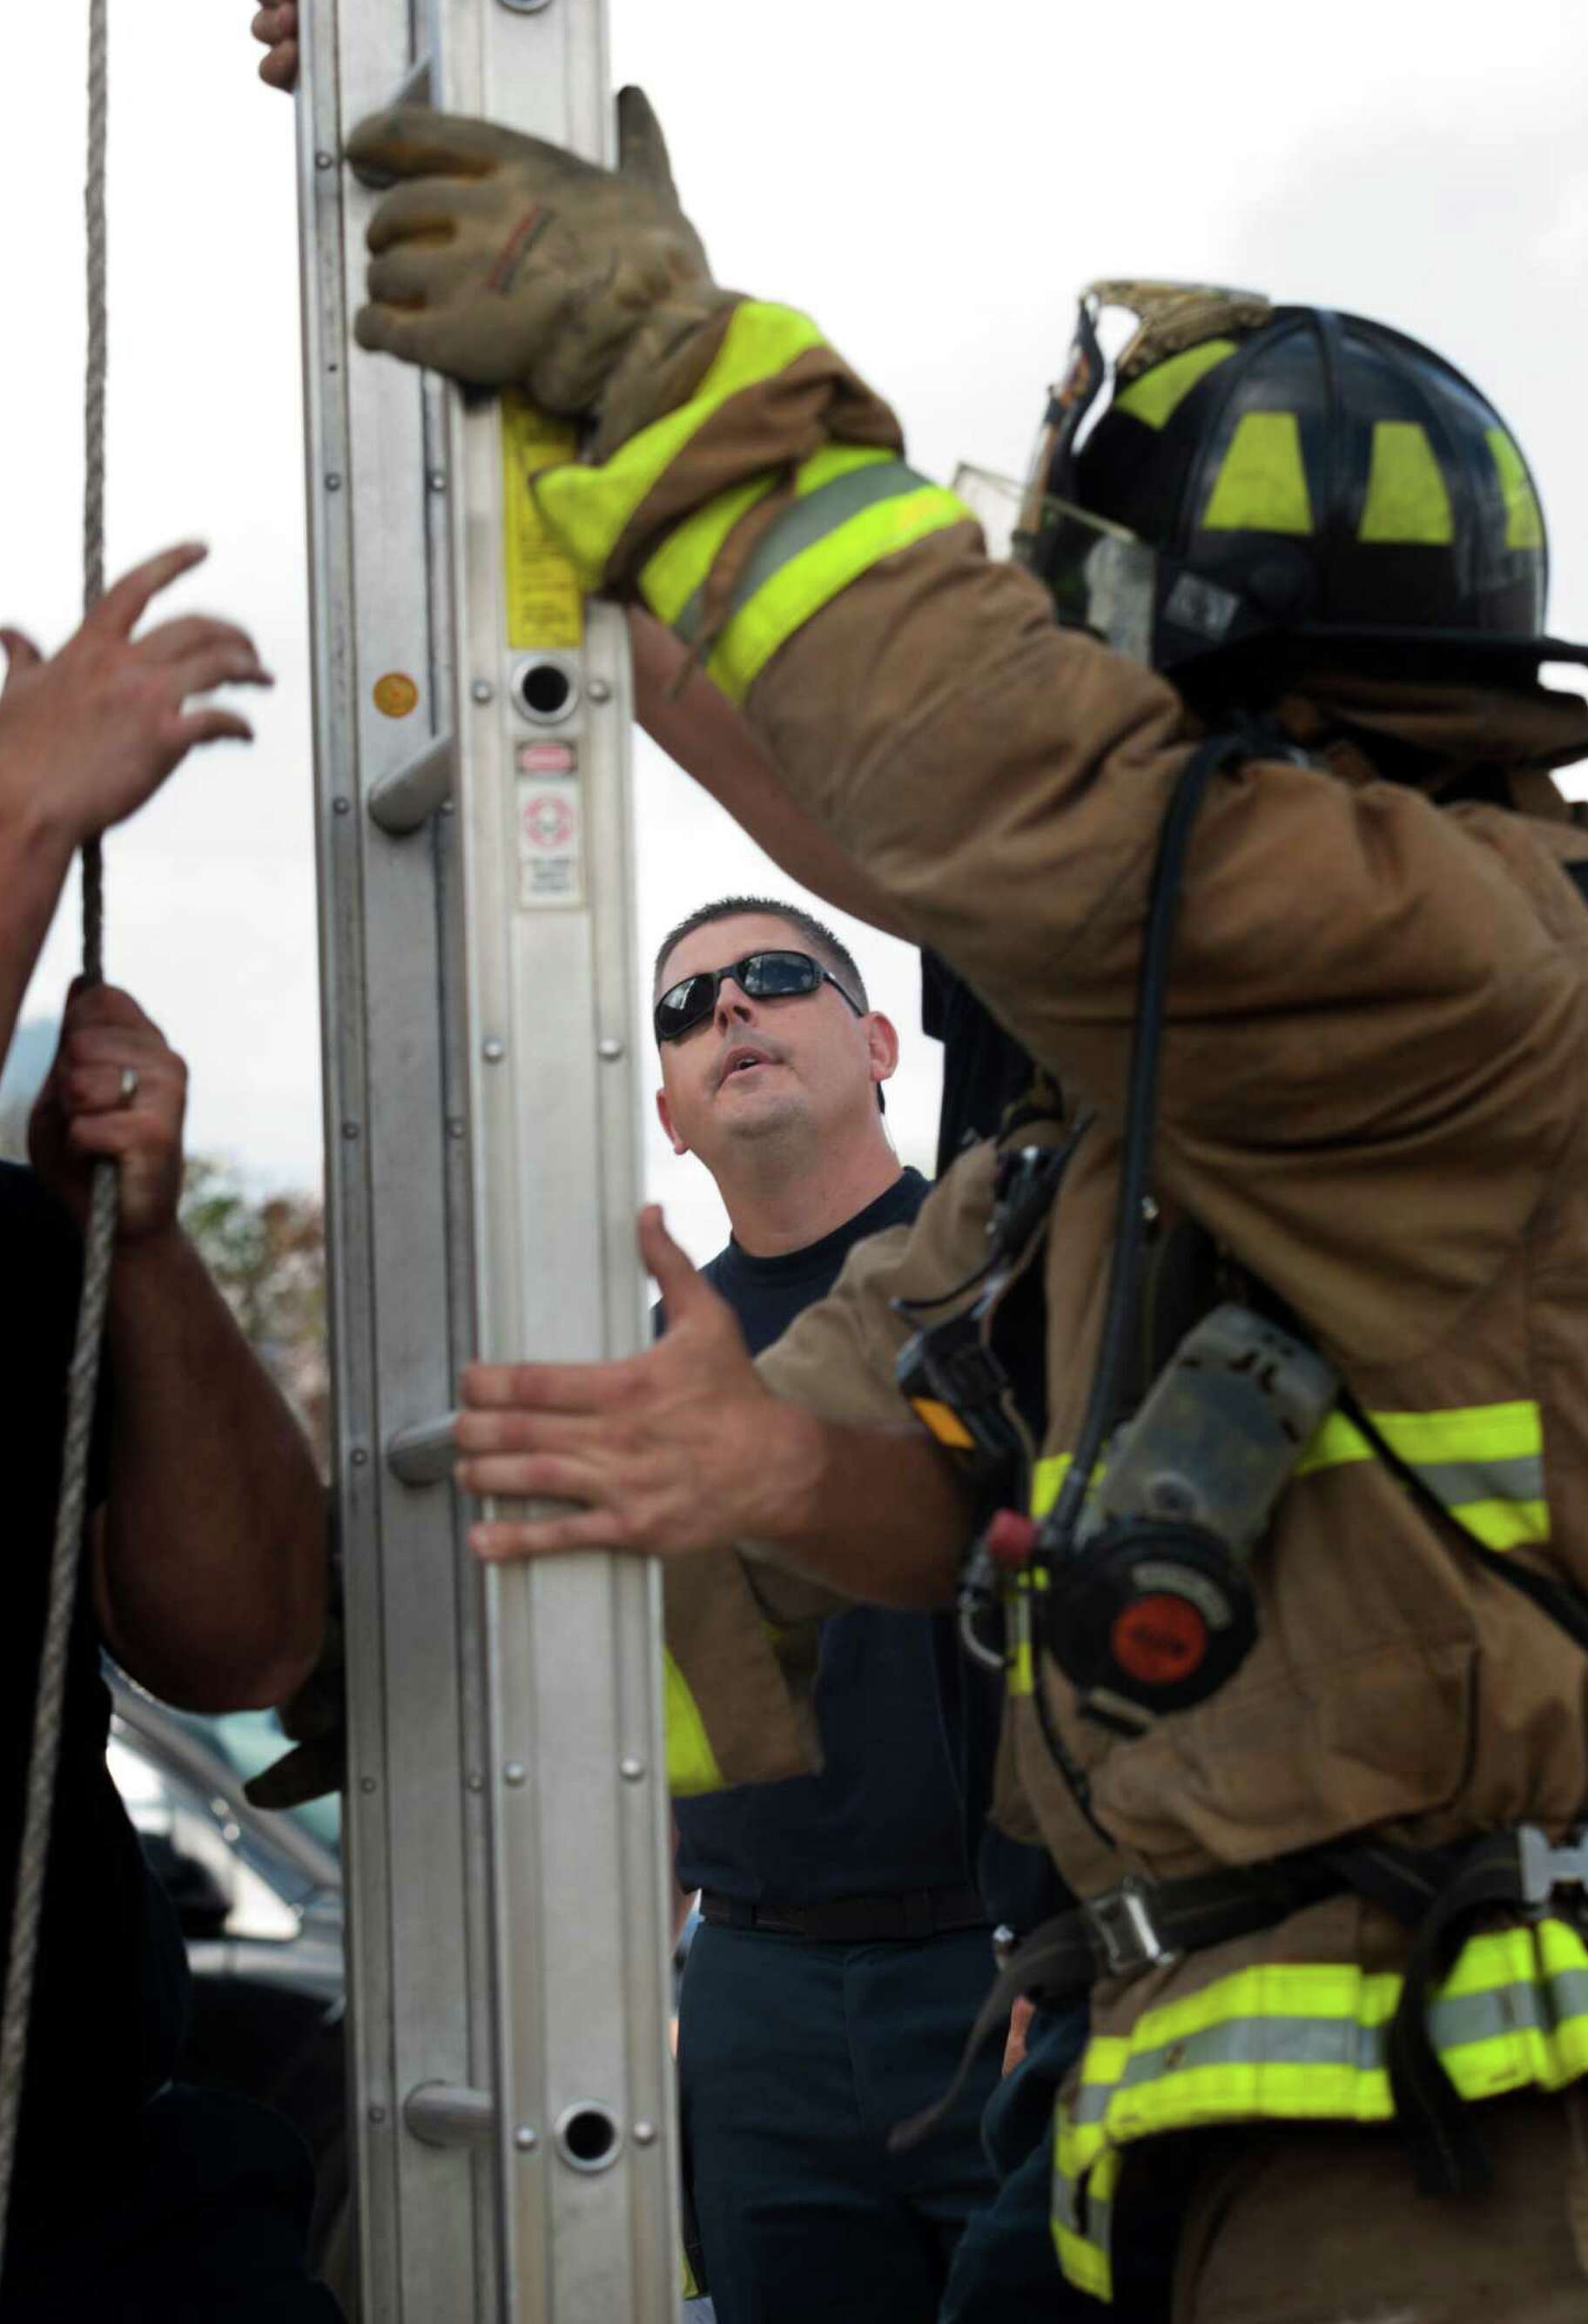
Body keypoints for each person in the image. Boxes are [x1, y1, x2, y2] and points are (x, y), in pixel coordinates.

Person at [350, 91, 1588, 2323]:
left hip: (1490, 2163)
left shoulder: (1434, 950)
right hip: (1253, 2116)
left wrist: (661, 364)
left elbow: (981, 778)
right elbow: (920, 1468)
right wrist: (748, 1471)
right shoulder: (1169, 1105)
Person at [0, 547, 338, 2319]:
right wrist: (22, 812)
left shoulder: (7, 1241)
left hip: (91, 2194)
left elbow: (241, 1643)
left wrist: (149, 1244)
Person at [643, 891, 1020, 2322]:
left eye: (773, 976)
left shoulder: (1021, 1268)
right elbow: (642, 1715)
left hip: (1003, 1964)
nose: (730, 1008)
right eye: (686, 1007)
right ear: (672, 1117)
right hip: (756, 1997)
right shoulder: (658, 1357)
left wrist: (1073, 1951)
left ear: (879, 1044)